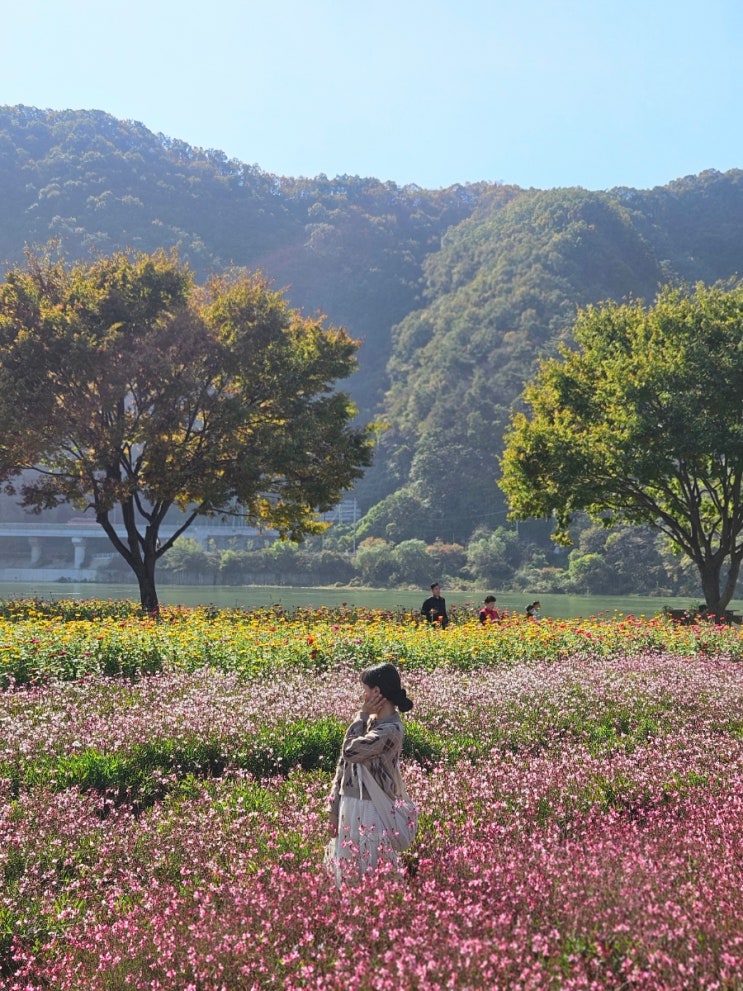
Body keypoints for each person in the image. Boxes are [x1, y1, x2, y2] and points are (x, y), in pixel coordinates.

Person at [326, 662, 414, 887]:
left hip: (371, 809)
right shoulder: (371, 723)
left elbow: (350, 751)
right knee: (349, 878)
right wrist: (334, 808)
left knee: (373, 876)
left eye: (366, 690)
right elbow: (343, 766)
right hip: (351, 806)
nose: (363, 695)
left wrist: (361, 715)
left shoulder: (391, 730)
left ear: (376, 692)